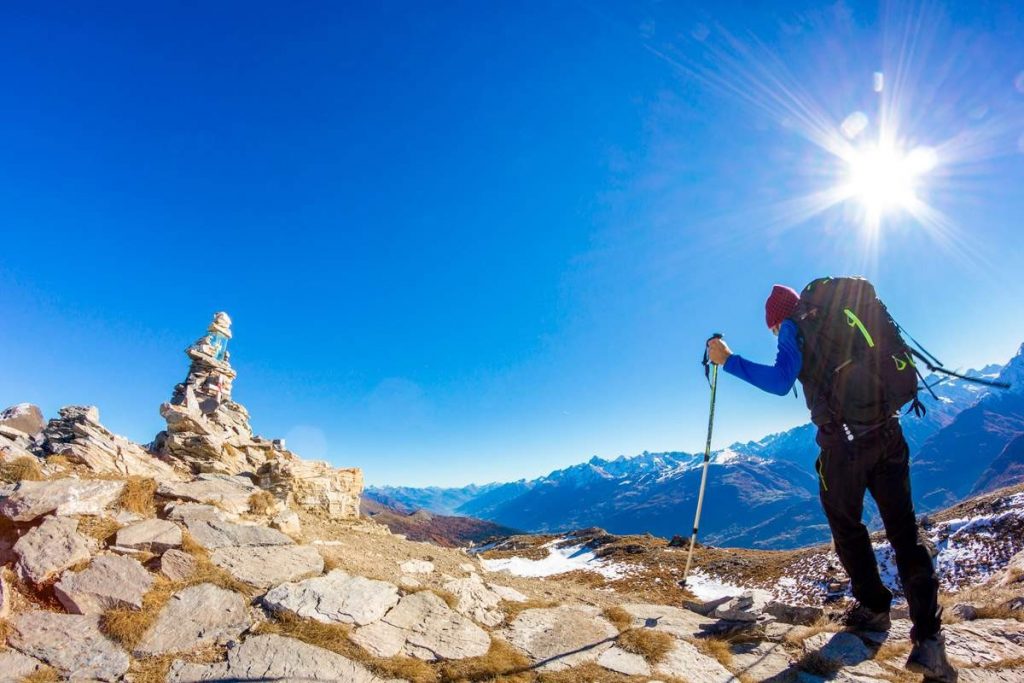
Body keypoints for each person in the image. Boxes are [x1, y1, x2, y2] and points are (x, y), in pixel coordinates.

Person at [706, 284, 957, 683]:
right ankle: (929, 641)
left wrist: (729, 359)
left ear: (778, 320)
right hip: (889, 435)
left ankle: (874, 607)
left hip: (843, 447)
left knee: (847, 525)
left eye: (772, 330)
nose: (775, 336)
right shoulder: (840, 322)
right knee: (905, 534)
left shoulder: (793, 325)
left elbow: (779, 381)